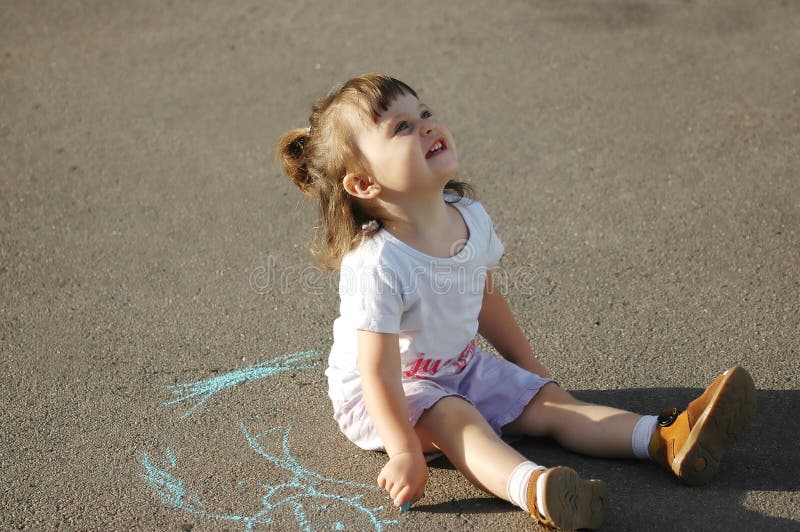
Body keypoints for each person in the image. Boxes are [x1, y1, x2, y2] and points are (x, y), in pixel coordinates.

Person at [275, 74, 756, 530]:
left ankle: (666, 437)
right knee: (454, 417)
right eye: (402, 127)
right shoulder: (377, 263)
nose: (426, 125)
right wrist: (403, 450)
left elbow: (483, 298)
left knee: (551, 404)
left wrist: (528, 368)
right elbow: (378, 372)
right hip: (388, 396)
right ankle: (538, 490)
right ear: (363, 184)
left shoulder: (469, 218)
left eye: (422, 112)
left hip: (458, 367)